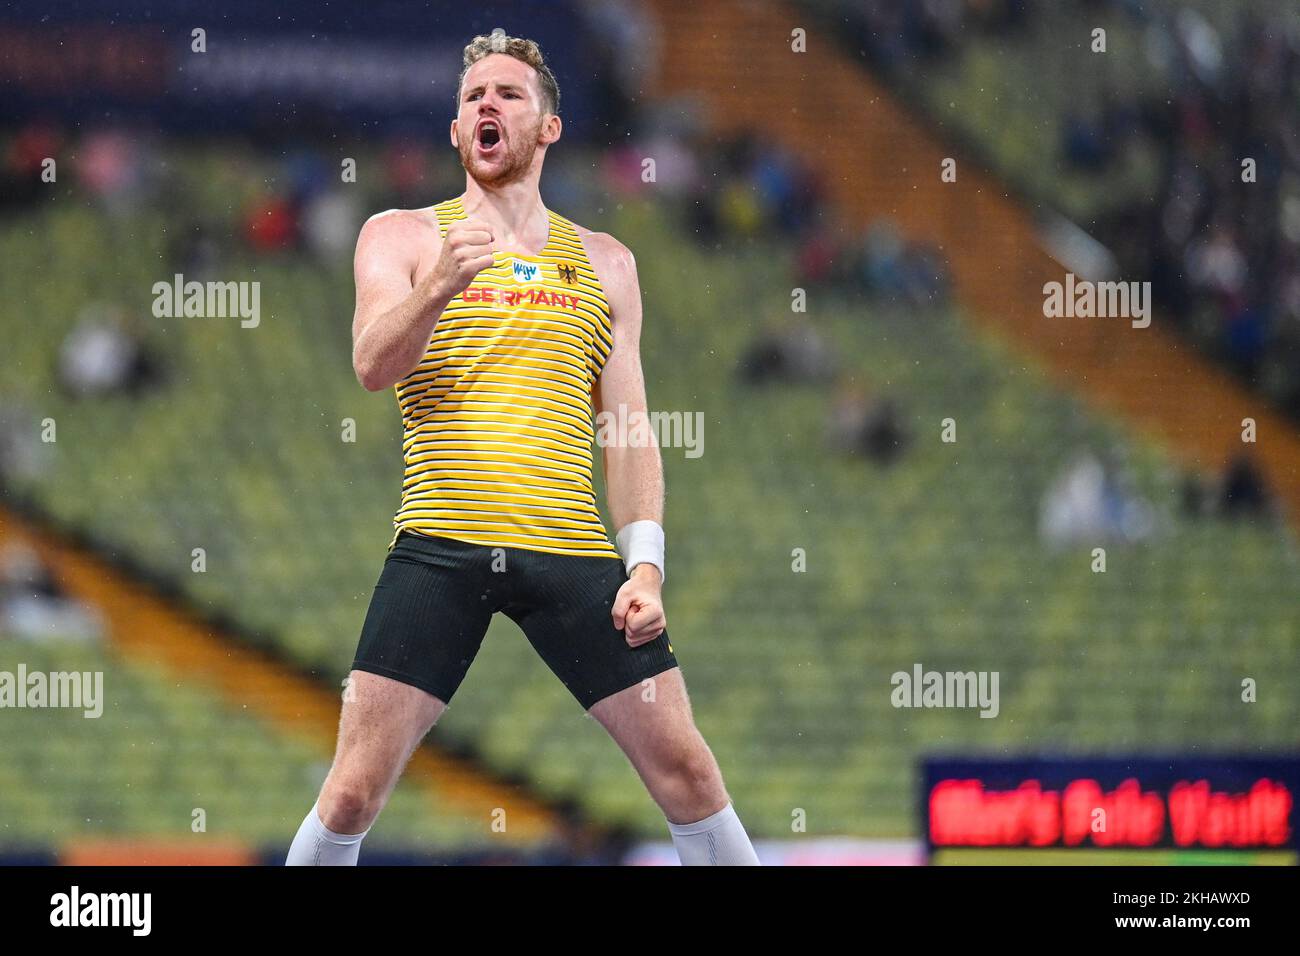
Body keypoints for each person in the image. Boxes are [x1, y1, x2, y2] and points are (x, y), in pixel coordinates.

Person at [286, 30, 758, 866]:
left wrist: (644, 564)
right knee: (354, 790)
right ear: (456, 132)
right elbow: (369, 365)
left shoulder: (607, 262)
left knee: (688, 772)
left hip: (570, 547)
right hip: (443, 539)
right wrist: (438, 287)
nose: (486, 106)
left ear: (548, 128)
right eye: (472, 98)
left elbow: (629, 427)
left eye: (506, 94)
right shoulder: (400, 236)